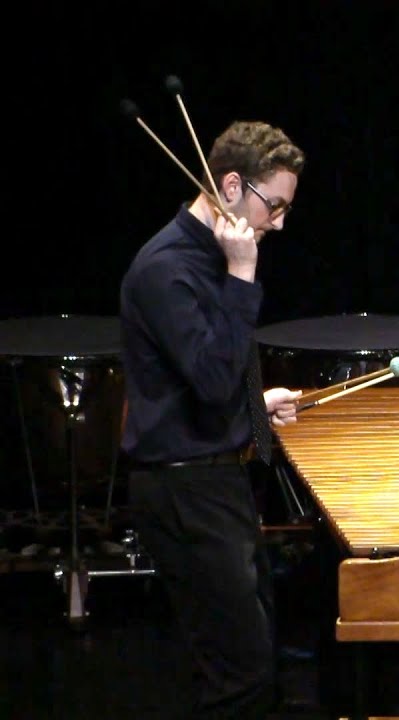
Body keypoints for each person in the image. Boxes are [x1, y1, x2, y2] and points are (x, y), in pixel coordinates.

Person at [119, 120, 306, 719]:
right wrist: (242, 277)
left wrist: (256, 407)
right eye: (273, 205)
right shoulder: (166, 270)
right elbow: (211, 377)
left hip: (215, 481)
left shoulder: (210, 260)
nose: (278, 223)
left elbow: (213, 382)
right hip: (183, 489)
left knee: (255, 662)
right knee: (239, 676)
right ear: (231, 187)